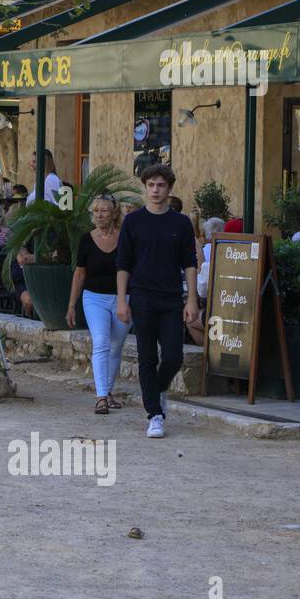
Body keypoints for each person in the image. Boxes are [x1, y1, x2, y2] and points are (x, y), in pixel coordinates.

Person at [116, 164, 199, 439]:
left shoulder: (181, 223)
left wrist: (192, 300)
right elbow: (123, 264)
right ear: (145, 187)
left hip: (172, 298)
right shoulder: (133, 222)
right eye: (151, 185)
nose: (155, 190)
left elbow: (190, 263)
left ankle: (158, 389)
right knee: (147, 358)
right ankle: (155, 414)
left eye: (160, 185)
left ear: (169, 188)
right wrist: (121, 300)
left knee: (174, 355)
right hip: (141, 297)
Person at [68, 193, 131, 414]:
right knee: (102, 342)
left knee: (116, 347)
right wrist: (71, 305)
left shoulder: (126, 237)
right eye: (96, 211)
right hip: (94, 297)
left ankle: (108, 391)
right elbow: (79, 274)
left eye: (104, 210)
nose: (99, 215)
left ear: (114, 213)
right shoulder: (87, 239)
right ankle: (101, 396)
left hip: (123, 298)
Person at [188, 216, 227, 346]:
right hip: (233, 308)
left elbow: (202, 290)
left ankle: (208, 353)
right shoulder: (230, 250)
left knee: (190, 320)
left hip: (218, 313)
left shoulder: (205, 252)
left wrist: (200, 259)